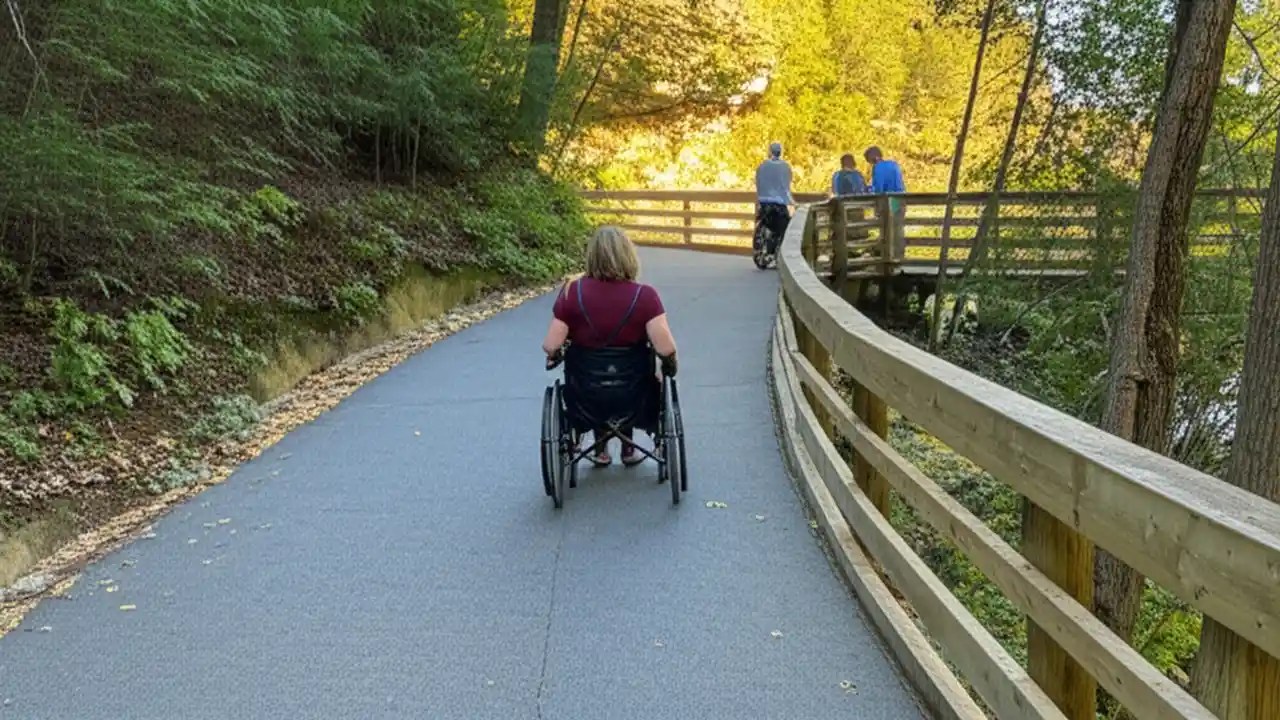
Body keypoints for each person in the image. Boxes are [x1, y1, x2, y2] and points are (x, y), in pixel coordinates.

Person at [541, 226, 678, 467]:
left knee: (594, 381)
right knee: (641, 378)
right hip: (635, 396)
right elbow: (665, 348)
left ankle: (601, 448)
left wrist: (556, 355)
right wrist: (669, 365)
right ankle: (628, 447)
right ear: (628, 256)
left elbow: (551, 345)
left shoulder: (572, 293)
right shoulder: (645, 296)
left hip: (585, 396)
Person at [863, 146, 907, 258]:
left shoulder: (878, 168)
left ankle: (888, 257)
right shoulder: (894, 164)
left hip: (888, 202)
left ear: (872, 158)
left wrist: (869, 190)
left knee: (886, 230)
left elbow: (879, 188)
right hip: (901, 200)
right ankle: (899, 255)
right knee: (898, 229)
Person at [754, 141, 793, 255]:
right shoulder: (785, 166)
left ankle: (762, 244)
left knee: (762, 220)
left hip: (764, 201)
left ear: (769, 151)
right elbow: (787, 184)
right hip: (779, 202)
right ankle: (778, 251)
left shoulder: (762, 166)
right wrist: (790, 201)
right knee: (784, 228)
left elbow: (758, 182)